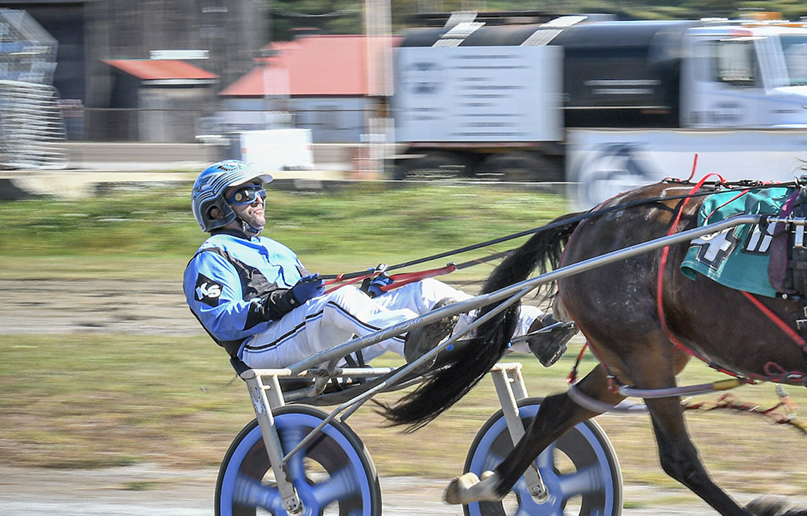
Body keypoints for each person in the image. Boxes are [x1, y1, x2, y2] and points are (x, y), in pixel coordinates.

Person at [183, 159, 575, 372]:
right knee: (337, 303)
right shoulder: (212, 257)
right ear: (216, 210)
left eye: (260, 190)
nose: (259, 198)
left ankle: (532, 329)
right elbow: (221, 321)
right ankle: (414, 341)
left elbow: (310, 305)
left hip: (303, 335)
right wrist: (287, 301)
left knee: (423, 290)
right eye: (244, 193)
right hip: (260, 349)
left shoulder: (277, 249)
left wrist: (369, 290)